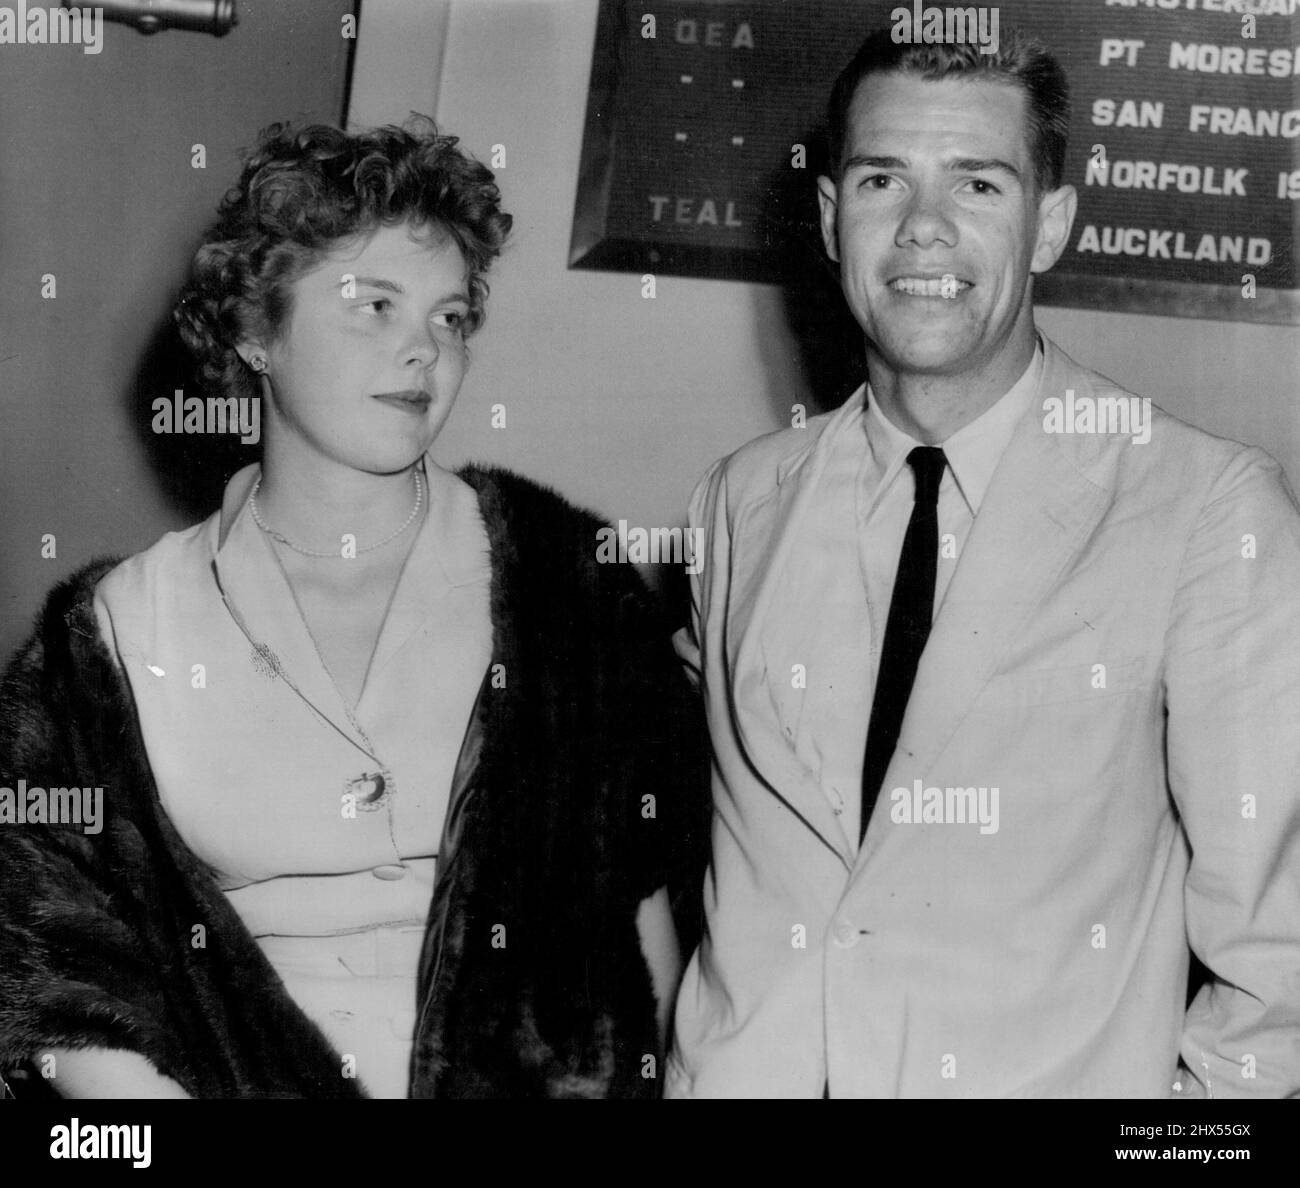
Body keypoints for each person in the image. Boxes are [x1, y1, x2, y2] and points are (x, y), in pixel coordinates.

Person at [0, 118, 704, 1099]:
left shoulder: (564, 581)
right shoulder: (116, 633)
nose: (423, 349)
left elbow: (646, 922)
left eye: (449, 317)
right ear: (255, 328)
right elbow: (55, 982)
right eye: (373, 305)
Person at [665, 28, 1300, 1098]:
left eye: (976, 183)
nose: (922, 228)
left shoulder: (1203, 507)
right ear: (829, 216)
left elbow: (1277, 965)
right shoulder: (741, 500)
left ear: (1049, 223)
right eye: (881, 179)